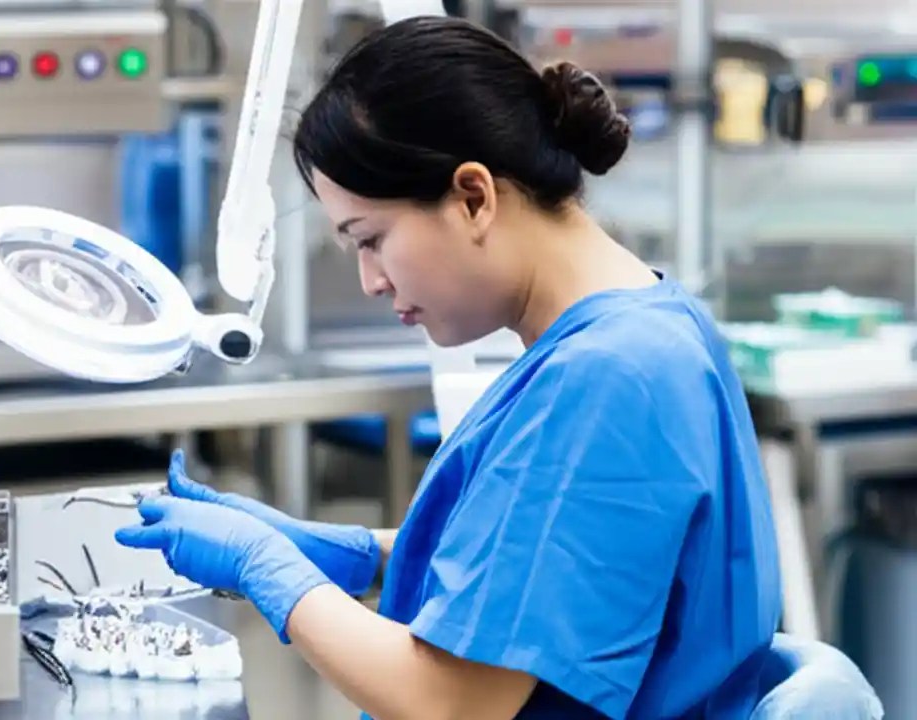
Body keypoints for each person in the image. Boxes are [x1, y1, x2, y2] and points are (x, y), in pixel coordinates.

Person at [115, 16, 783, 720]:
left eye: (370, 239)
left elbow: (451, 703)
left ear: (473, 196)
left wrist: (266, 567)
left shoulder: (607, 376)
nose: (371, 280)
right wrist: (358, 555)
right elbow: (564, 568)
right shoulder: (644, 328)